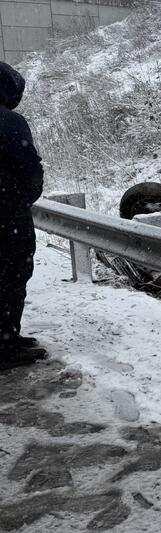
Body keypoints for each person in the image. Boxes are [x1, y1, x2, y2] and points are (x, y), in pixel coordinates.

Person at [0, 61, 47, 369]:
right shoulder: (10, 122)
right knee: (10, 278)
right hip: (7, 219)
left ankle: (7, 338)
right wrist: (20, 203)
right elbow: (31, 171)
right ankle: (5, 344)